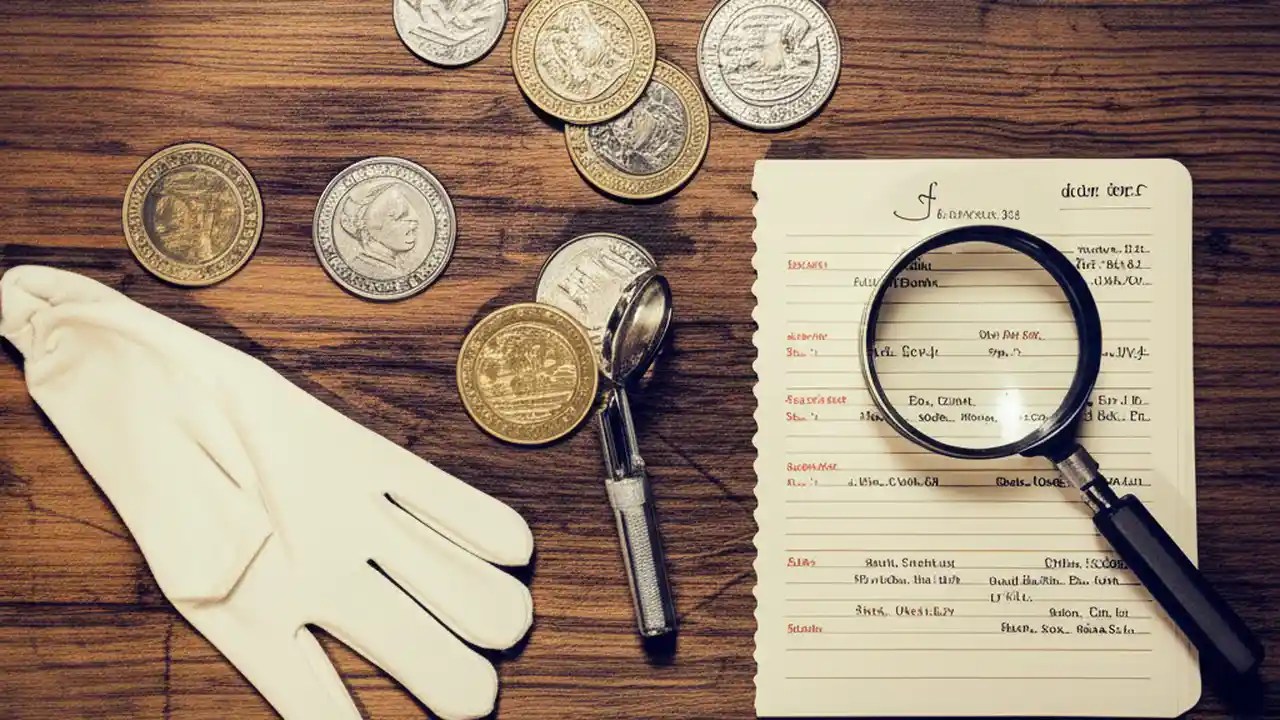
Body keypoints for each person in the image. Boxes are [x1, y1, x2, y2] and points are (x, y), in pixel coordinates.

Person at [339, 181, 422, 275]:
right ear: (362, 223)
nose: (415, 222)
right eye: (399, 217)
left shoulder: (393, 267)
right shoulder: (368, 270)